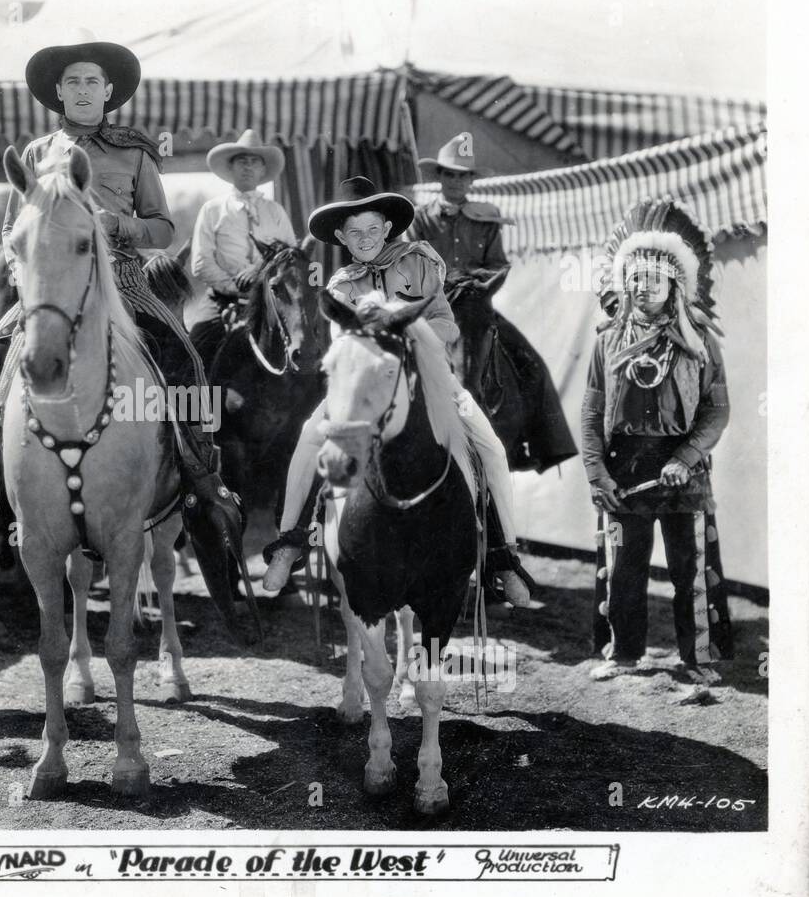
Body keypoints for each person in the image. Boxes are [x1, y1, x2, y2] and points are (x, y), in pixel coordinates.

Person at [0, 37, 245, 633]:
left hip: (123, 280)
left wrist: (115, 224)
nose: (81, 90)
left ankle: (204, 478)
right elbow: (7, 233)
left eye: (91, 82)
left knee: (183, 361)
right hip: (51, 286)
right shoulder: (35, 153)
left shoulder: (135, 152)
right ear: (58, 93)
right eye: (71, 81)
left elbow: (162, 228)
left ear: (109, 93)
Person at [260, 177, 533, 605]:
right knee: (311, 436)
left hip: (429, 376)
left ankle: (504, 557)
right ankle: (291, 539)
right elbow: (345, 344)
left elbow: (447, 323)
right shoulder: (340, 286)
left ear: (387, 228)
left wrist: (408, 334)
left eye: (372, 229)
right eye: (354, 233)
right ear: (341, 238)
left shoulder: (419, 261)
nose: (364, 239)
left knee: (491, 448)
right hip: (367, 384)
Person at [583, 198, 731, 684]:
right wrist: (597, 472)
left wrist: (687, 458)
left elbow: (716, 409)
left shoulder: (700, 341)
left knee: (689, 570)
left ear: (674, 283)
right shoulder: (607, 341)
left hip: (681, 468)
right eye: (635, 277)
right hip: (624, 466)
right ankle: (624, 654)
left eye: (653, 278)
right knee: (624, 567)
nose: (642, 287)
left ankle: (697, 660)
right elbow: (590, 410)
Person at [411, 132, 576, 472]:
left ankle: (536, 446)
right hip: (433, 310)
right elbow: (412, 267)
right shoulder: (419, 219)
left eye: (463, 175)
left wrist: (479, 282)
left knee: (530, 362)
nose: (456, 181)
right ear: (439, 176)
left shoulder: (488, 218)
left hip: (475, 306)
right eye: (450, 174)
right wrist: (442, 285)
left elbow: (498, 263)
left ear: (471, 180)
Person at [188, 128, 298, 373]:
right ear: (231, 168)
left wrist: (258, 271)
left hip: (270, 301)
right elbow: (201, 261)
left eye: (254, 162)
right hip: (222, 300)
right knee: (196, 344)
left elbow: (290, 256)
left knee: (303, 343)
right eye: (241, 161)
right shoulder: (213, 209)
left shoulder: (275, 211)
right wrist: (235, 287)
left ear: (262, 170)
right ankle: (198, 406)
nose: (248, 167)